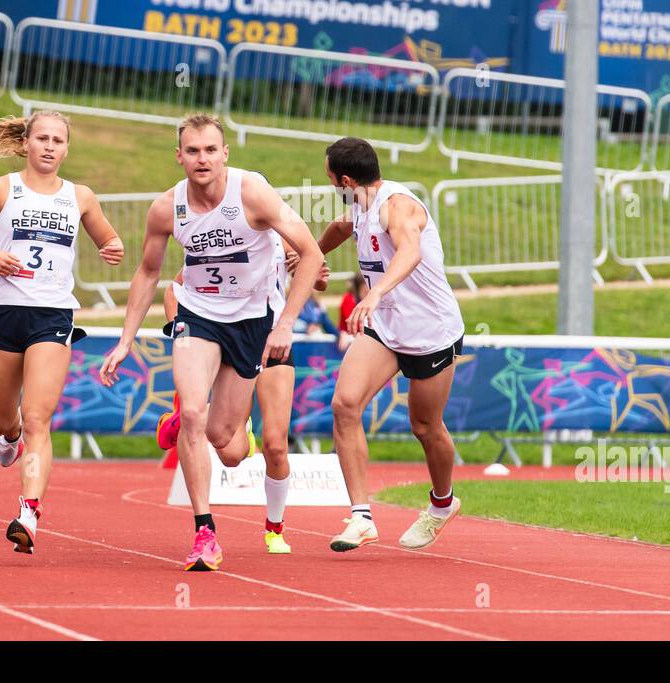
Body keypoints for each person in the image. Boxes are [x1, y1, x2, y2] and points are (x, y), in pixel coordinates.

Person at [98, 113, 322, 572]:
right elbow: (148, 272)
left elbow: (313, 253)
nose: (202, 159)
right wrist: (126, 340)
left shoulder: (252, 193)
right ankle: (204, 534)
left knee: (229, 446)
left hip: (252, 320)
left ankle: (214, 427)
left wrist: (286, 324)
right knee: (196, 415)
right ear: (179, 156)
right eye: (192, 151)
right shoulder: (166, 208)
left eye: (210, 150)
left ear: (225, 154)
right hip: (197, 313)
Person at [0, 111, 124, 554]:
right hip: (7, 313)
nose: (49, 147)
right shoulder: (1, 189)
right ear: (26, 143)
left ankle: (29, 511)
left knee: (41, 418)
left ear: (67, 149)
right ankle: (12, 435)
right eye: (42, 138)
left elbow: (108, 238)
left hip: (53, 315)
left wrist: (112, 246)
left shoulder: (80, 197)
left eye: (58, 141)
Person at [317, 137, 466, 552]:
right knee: (345, 404)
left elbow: (411, 252)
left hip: (431, 332)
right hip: (384, 328)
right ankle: (361, 517)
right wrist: (307, 254)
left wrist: (375, 292)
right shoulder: (359, 206)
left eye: (330, 179)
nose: (331, 186)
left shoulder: (398, 207)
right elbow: (340, 229)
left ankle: (442, 504)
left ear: (345, 179)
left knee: (425, 426)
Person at [160, 237, 330, 556]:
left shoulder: (282, 234)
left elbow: (316, 274)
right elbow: (174, 289)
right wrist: (178, 331)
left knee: (277, 444)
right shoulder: (221, 238)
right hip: (233, 344)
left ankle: (274, 528)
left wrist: (316, 275)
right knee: (231, 454)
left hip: (273, 343)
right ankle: (198, 413)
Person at [338, 275, 367, 352]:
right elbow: (352, 322)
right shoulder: (349, 299)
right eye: (364, 290)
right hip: (350, 336)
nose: (368, 292)